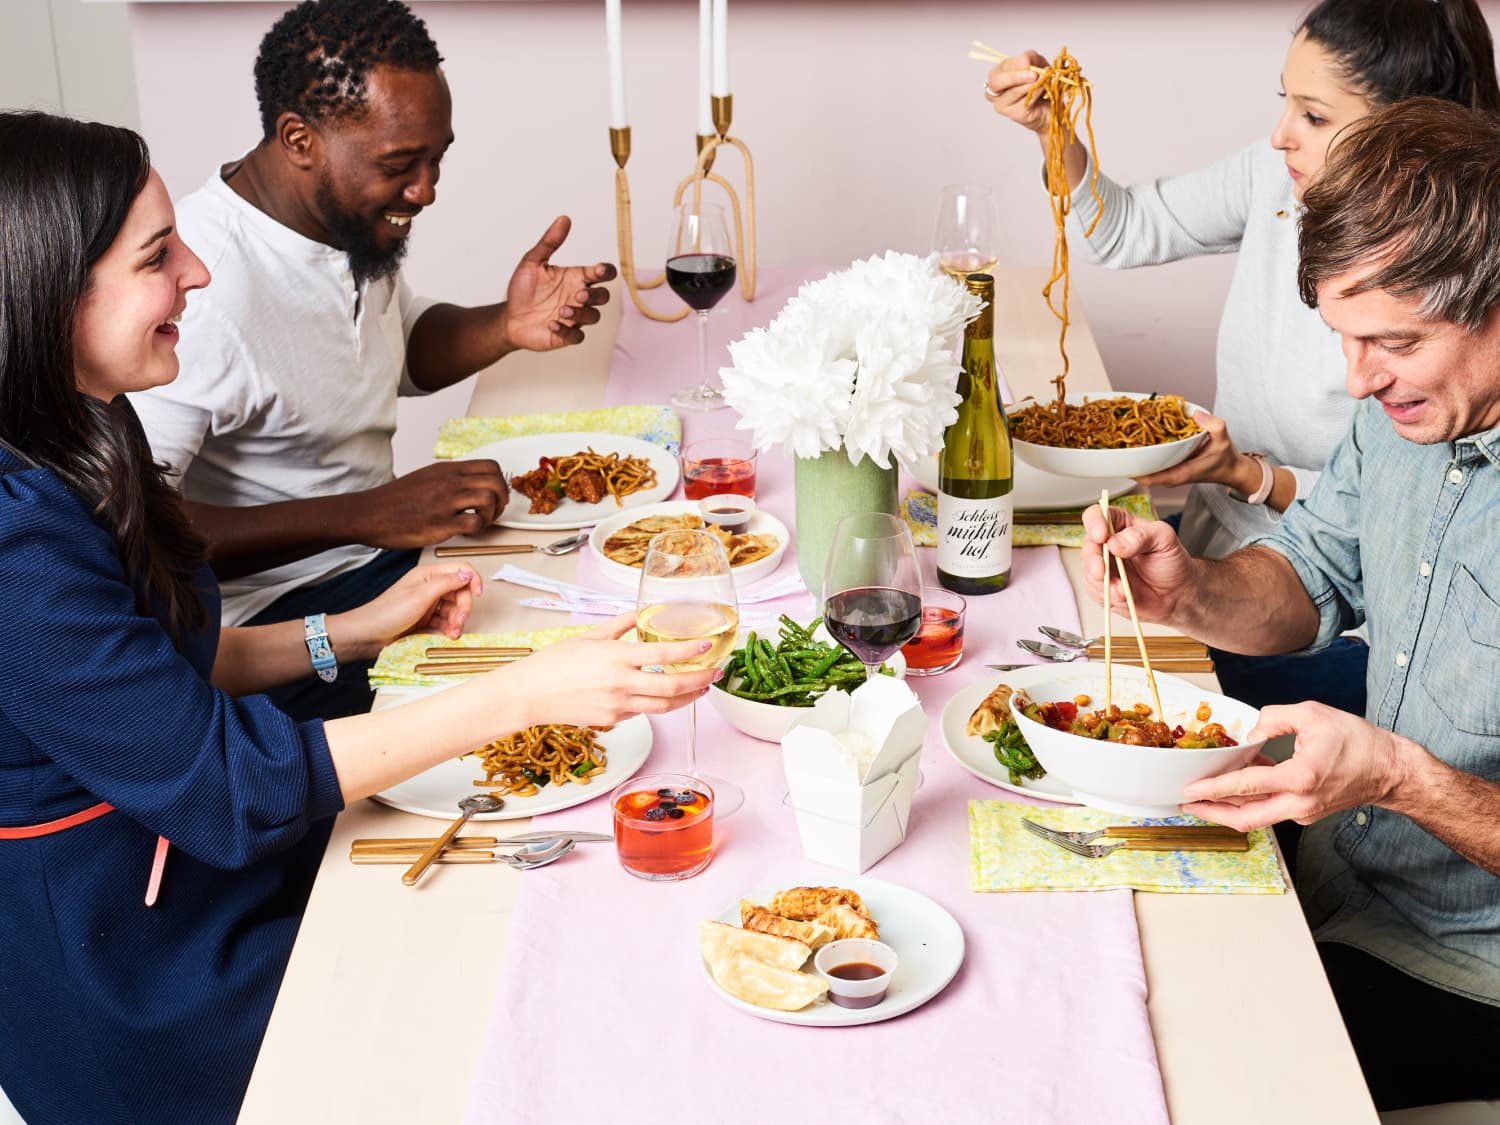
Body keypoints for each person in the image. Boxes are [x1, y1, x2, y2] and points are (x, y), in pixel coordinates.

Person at [0, 112, 713, 1124]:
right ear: (48, 292)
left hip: (206, 866)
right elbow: (224, 785)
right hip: (139, 965)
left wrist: (364, 627)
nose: (196, 274)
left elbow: (180, 659)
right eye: (159, 257)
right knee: (485, 1000)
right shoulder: (13, 545)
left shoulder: (85, 417)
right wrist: (515, 695)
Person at [1080, 98, 1500, 1112]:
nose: (1357, 382)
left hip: (1465, 978)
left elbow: (1404, 781)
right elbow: (1309, 586)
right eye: (1342, 339)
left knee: (1156, 1080)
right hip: (1331, 879)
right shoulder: (1407, 417)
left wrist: (1400, 778)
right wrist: (1192, 590)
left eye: (1391, 342)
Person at [984, 0, 1500, 717]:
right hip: (1241, 561)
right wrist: (1054, 132)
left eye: (1315, 117)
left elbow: (1379, 542)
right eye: (1286, 104)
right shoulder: (1276, 179)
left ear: (1413, 137)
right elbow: (1123, 228)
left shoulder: (1455, 328)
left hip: (1333, 631)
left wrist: (1248, 474)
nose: (1280, 136)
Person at [128, 0, 617, 722]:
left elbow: (397, 346)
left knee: (607, 608)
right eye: (400, 165)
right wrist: (368, 513)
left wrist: (508, 325)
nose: (426, 190)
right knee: (560, 699)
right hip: (278, 629)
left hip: (384, 571)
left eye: (437, 157)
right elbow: (141, 529)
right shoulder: (203, 286)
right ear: (300, 138)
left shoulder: (344, 221)